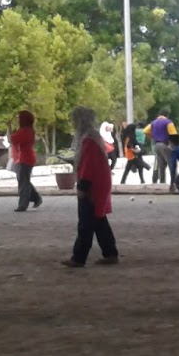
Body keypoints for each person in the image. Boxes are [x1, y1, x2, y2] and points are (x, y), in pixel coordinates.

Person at [63, 106, 119, 268]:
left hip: (93, 184)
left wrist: (83, 186)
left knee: (86, 221)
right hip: (99, 181)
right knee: (98, 219)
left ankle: (79, 258)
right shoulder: (92, 136)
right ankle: (110, 253)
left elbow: (88, 165)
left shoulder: (88, 139)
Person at [9, 110, 43, 212]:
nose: (17, 120)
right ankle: (36, 198)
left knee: (23, 182)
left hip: (24, 158)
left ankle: (23, 204)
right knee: (24, 180)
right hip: (23, 158)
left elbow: (12, 139)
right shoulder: (27, 130)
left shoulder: (24, 131)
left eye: (19, 118)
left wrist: (9, 127)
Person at [149, 111, 177, 184]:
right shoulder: (168, 122)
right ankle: (175, 181)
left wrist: (152, 136)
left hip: (156, 145)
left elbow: (146, 131)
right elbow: (173, 134)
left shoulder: (153, 122)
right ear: (166, 115)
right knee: (171, 164)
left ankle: (162, 182)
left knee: (161, 165)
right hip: (165, 145)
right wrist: (175, 146)